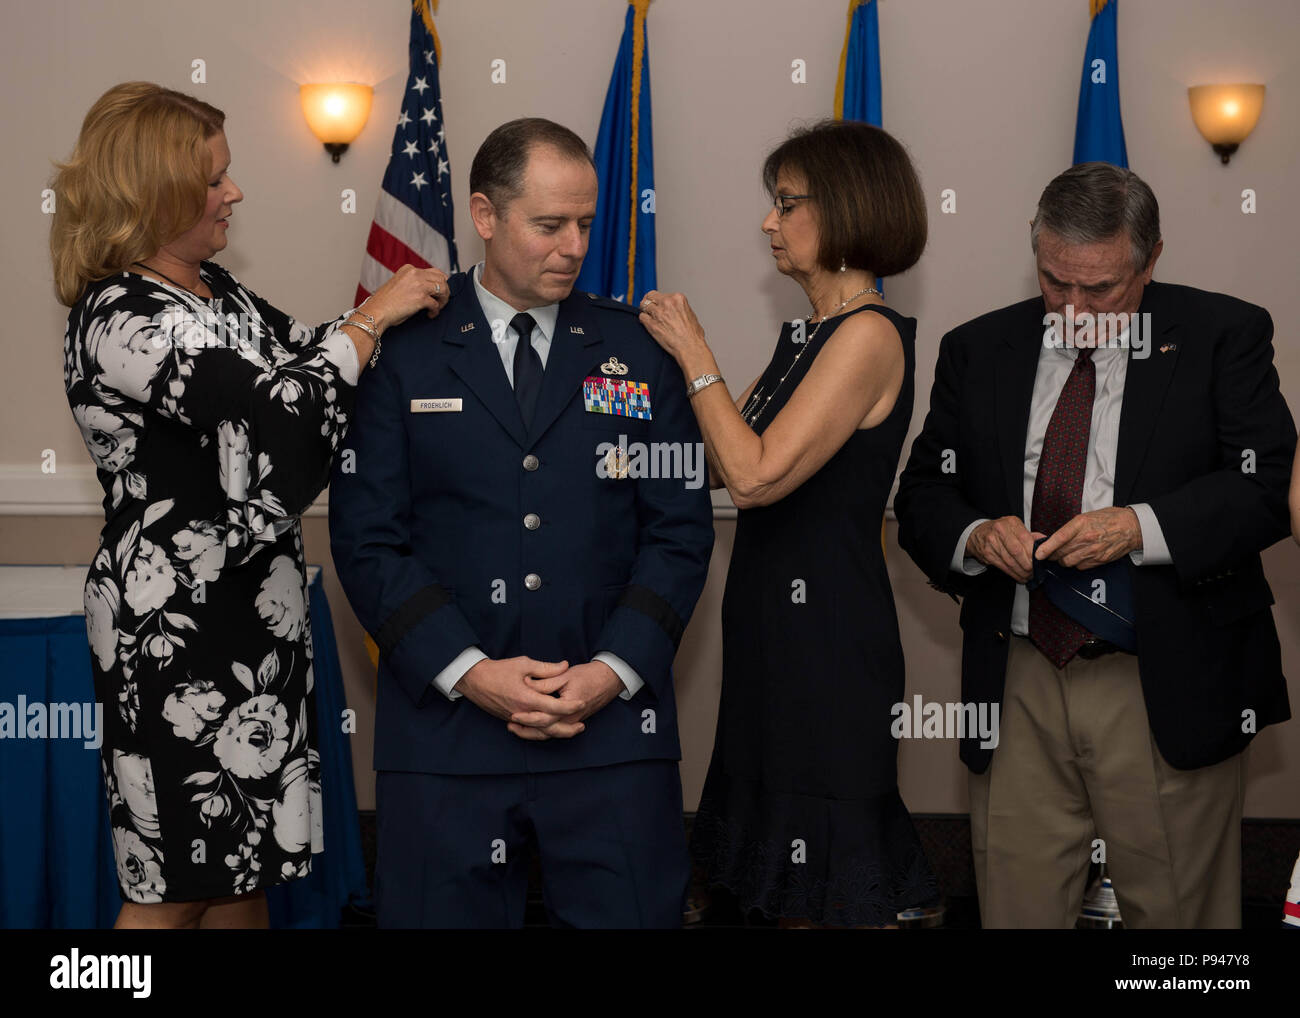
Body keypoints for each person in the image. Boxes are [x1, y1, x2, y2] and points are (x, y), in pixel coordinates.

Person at [53, 81, 449, 929]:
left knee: (246, 867)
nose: (233, 193)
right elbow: (279, 405)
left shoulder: (218, 292)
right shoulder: (120, 314)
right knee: (171, 885)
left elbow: (315, 362)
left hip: (252, 617)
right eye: (212, 180)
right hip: (172, 632)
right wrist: (375, 314)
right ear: (151, 190)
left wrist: (394, 326)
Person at [328, 117, 714, 929]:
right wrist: (470, 671)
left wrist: (611, 671)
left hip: (610, 738)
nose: (573, 245)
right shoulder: (402, 350)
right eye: (549, 225)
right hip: (446, 742)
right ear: (485, 214)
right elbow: (368, 538)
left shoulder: (635, 352)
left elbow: (677, 532)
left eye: (584, 222)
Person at [895, 161, 1295, 928]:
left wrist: (1137, 527)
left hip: (1161, 673)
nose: (1074, 309)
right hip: (1017, 674)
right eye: (1055, 282)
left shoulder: (1221, 336)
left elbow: (1262, 484)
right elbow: (923, 493)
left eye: (1101, 290)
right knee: (1015, 906)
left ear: (1151, 261)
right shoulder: (978, 348)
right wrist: (976, 534)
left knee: (1181, 928)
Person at [637, 119, 939, 927]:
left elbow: (754, 474)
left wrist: (693, 350)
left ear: (844, 209)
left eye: (787, 203)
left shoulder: (866, 334)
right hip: (775, 629)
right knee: (777, 884)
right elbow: (723, 454)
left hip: (828, 643)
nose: (769, 222)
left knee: (822, 885)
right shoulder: (810, 333)